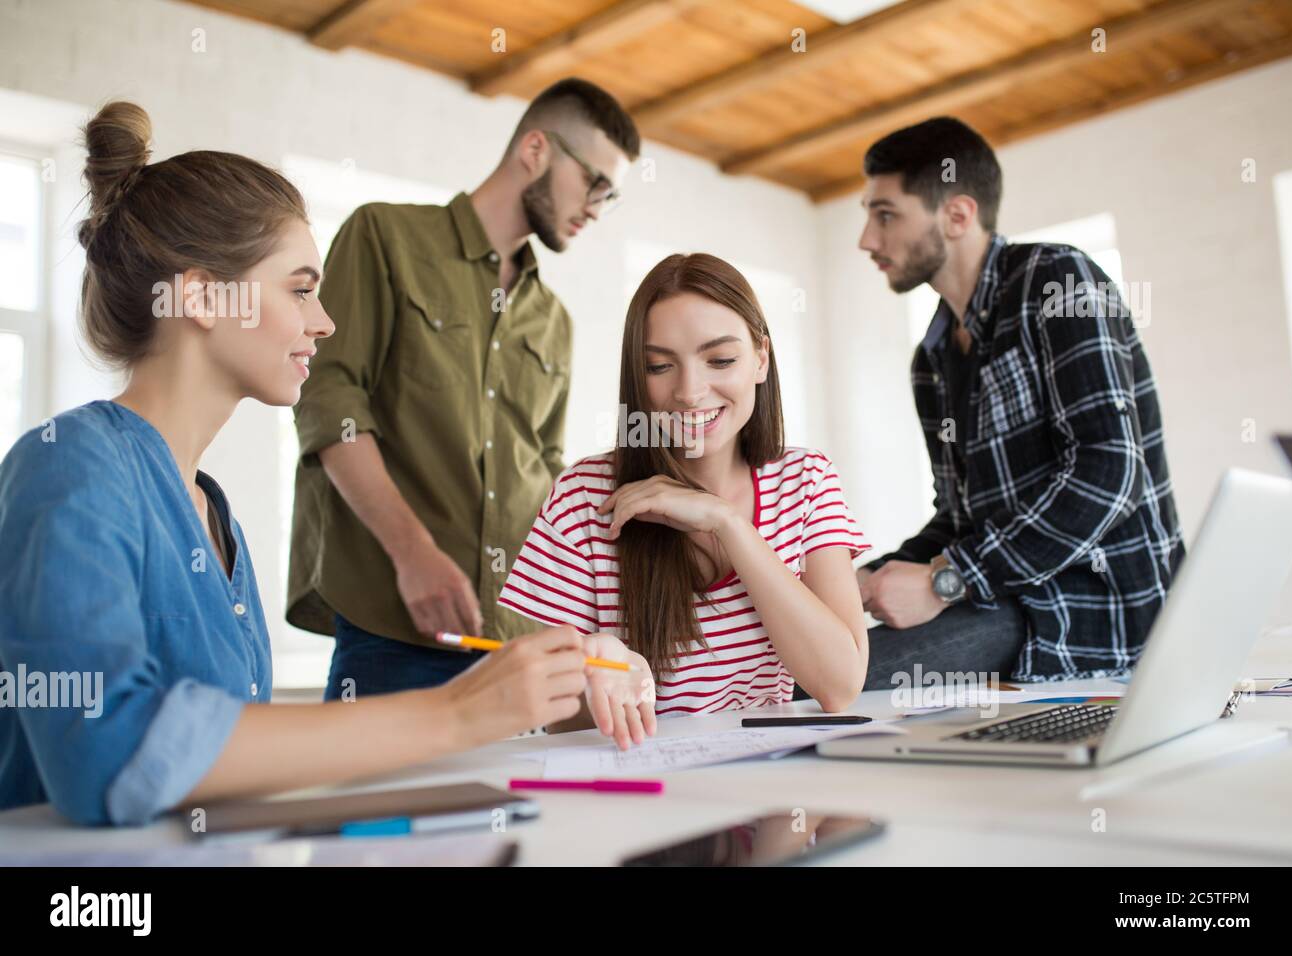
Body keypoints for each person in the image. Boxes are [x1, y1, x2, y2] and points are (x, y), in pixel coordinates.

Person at [0, 101, 602, 826]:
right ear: (201, 295)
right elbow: (106, 749)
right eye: (300, 289)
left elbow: (228, 786)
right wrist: (454, 714)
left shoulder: (213, 517)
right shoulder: (69, 468)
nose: (325, 320)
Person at [288, 78, 642, 700]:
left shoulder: (554, 321)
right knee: (382, 801)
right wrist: (412, 552)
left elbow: (548, 472)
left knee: (519, 801)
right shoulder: (385, 238)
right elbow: (330, 399)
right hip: (391, 628)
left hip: (518, 642)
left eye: (610, 197)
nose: (597, 208)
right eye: (596, 184)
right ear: (536, 150)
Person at [853, 116, 1183, 685]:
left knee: (828, 682)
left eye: (886, 215)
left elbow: (1110, 472)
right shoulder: (931, 363)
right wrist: (865, 577)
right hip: (1003, 597)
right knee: (808, 664)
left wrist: (943, 581)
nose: (867, 240)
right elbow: (961, 519)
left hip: (1097, 615)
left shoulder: (1058, 282)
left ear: (957, 215)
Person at [499, 253, 871, 746]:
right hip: (643, 802)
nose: (690, 392)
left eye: (720, 360)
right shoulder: (582, 497)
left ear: (761, 358)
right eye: (659, 366)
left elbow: (839, 686)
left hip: (772, 793)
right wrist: (595, 659)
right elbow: (555, 724)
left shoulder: (805, 480)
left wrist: (728, 525)